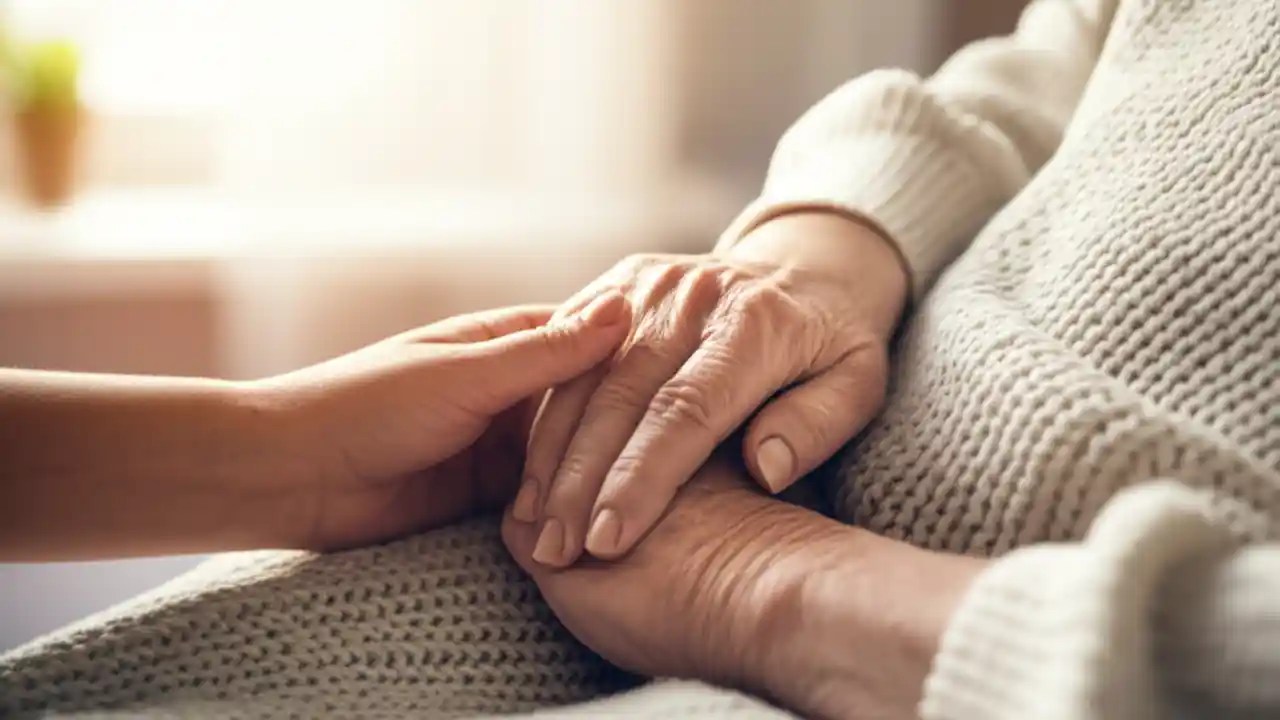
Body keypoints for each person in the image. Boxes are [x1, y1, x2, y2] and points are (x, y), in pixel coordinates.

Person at [3, 0, 1278, 718]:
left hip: (928, 647)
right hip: (678, 542)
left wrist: (775, 590)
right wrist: (816, 247)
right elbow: (1051, 70)